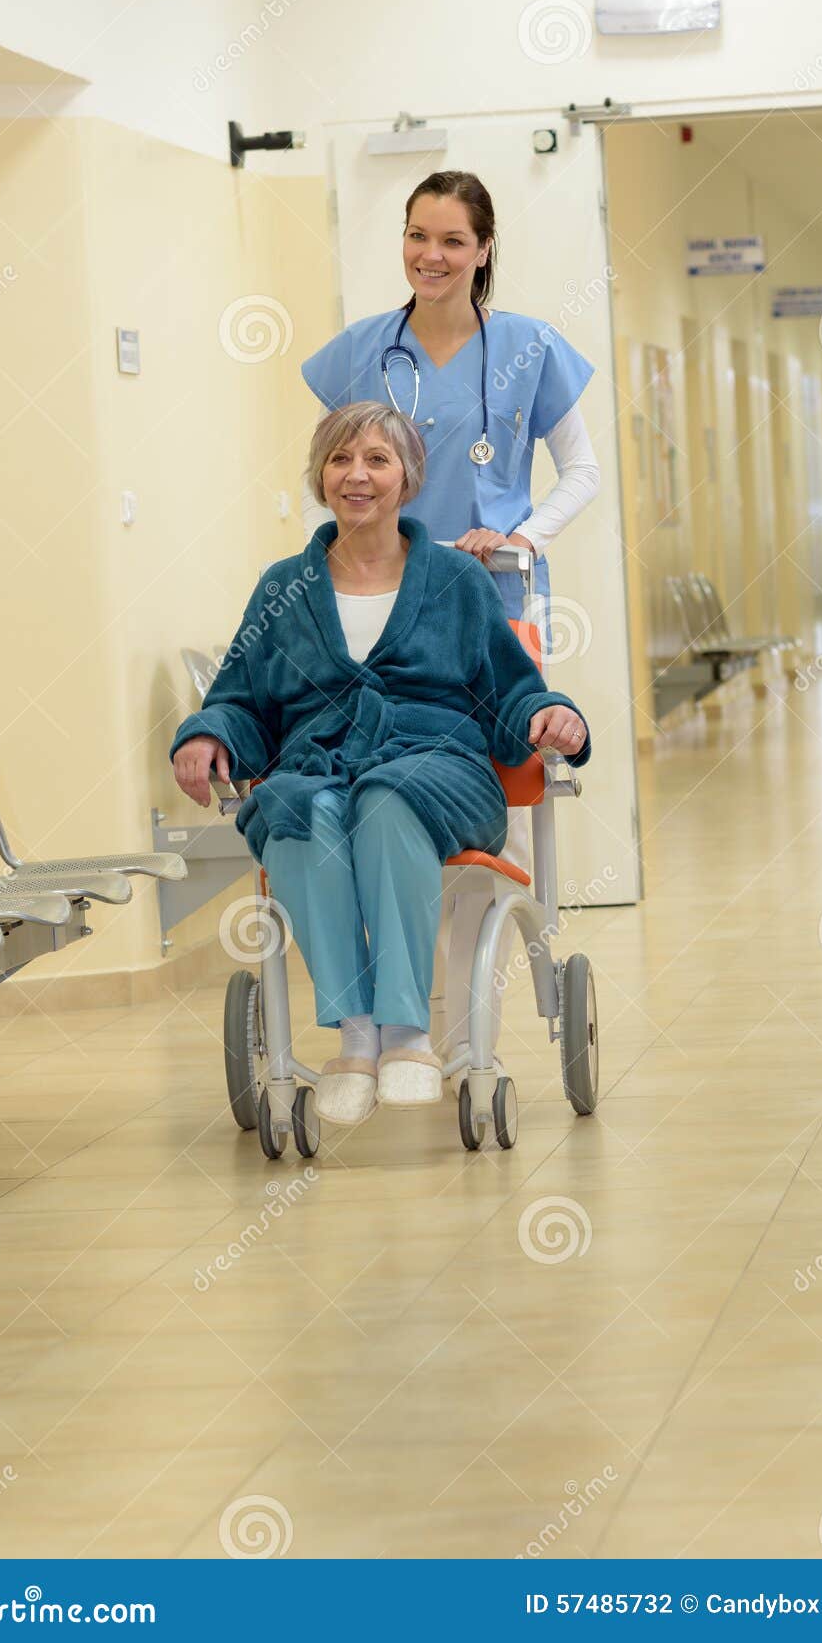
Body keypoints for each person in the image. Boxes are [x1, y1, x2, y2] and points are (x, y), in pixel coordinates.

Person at [171, 403, 590, 1127]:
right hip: (320, 763)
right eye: (339, 460)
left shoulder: (456, 581)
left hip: (437, 765)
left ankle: (407, 1034)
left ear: (408, 478)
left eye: (376, 460)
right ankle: (356, 1036)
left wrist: (554, 716)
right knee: (295, 810)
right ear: (320, 475)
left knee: (387, 798)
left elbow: (510, 691)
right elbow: (242, 698)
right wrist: (206, 734)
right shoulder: (284, 588)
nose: (356, 476)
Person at [299, 169, 600, 636]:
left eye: (453, 241)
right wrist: (325, 561)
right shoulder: (359, 348)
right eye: (417, 235)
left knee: (511, 709)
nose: (431, 255)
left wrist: (521, 542)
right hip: (384, 587)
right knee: (396, 709)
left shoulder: (530, 346)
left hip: (498, 586)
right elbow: (316, 477)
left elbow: (583, 471)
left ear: (483, 250)